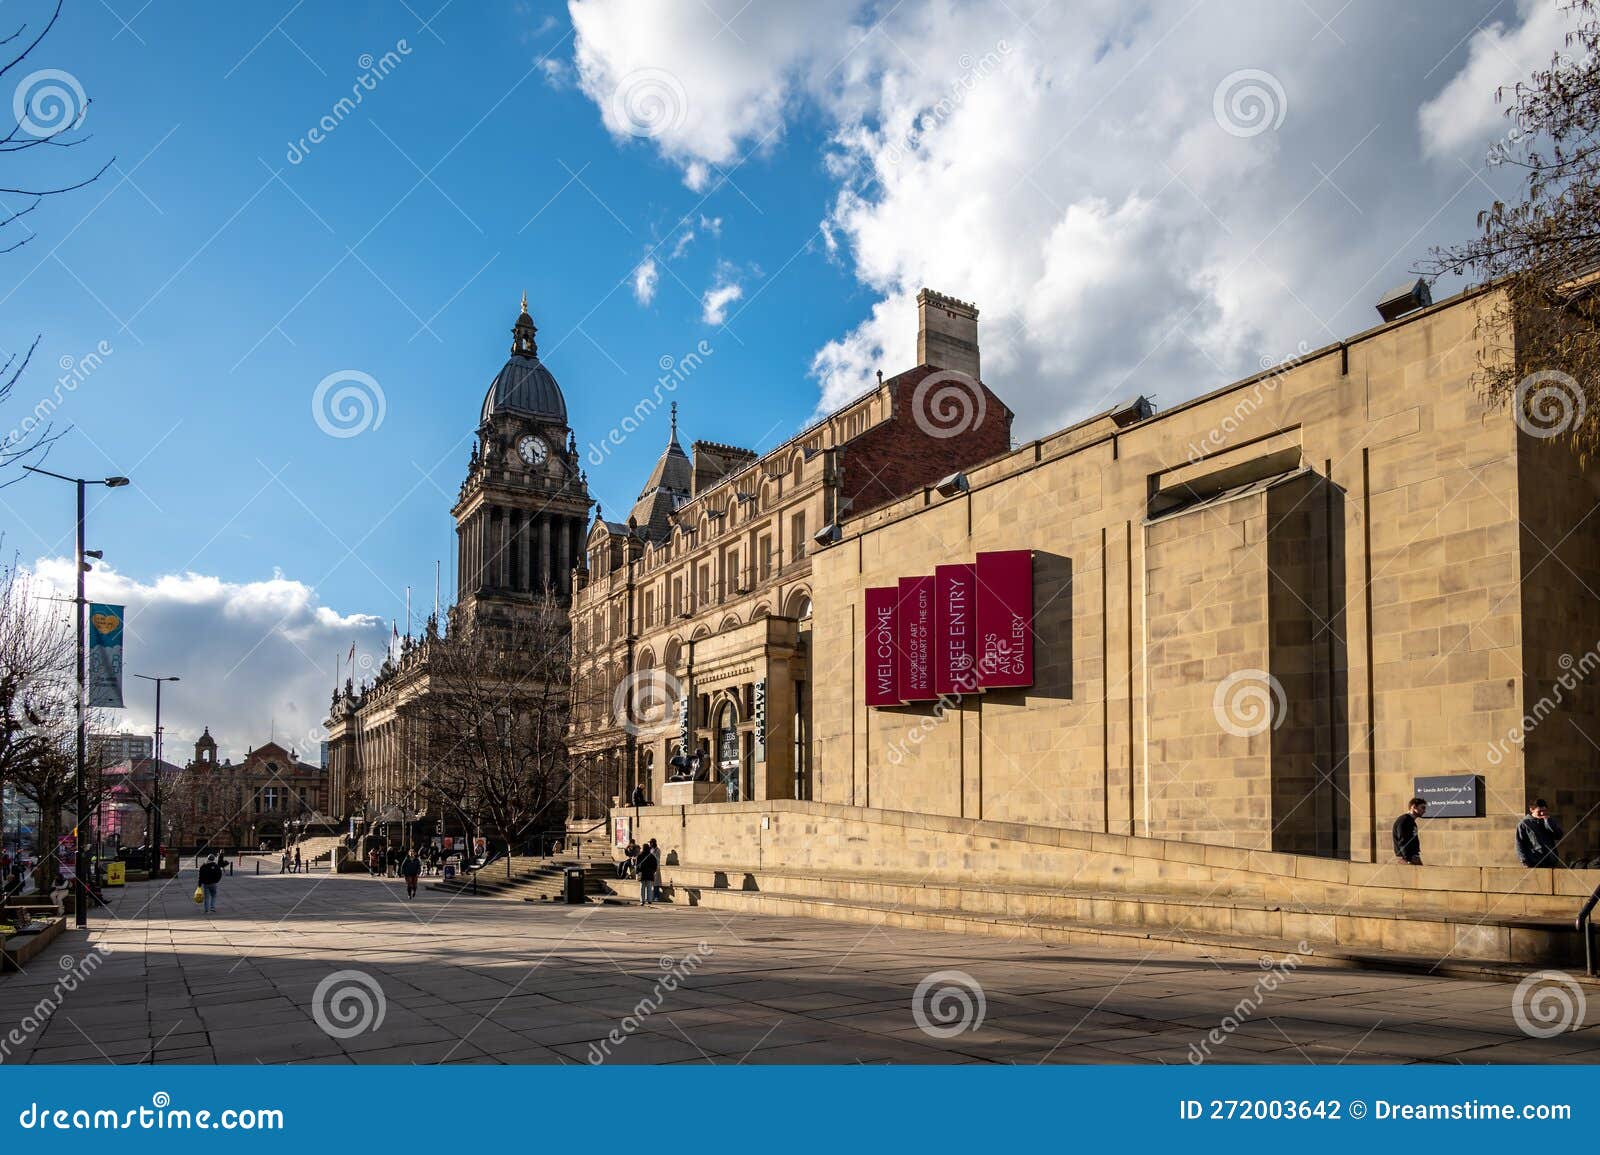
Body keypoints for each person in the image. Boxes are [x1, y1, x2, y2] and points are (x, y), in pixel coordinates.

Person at [1516, 799, 1564, 868]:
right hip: (1534, 863)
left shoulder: (1548, 821)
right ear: (1532, 810)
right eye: (1540, 811)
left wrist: (1548, 822)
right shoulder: (1524, 824)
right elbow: (1519, 844)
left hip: (1551, 862)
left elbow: (1559, 836)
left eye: (1544, 810)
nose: (1542, 813)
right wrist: (1525, 862)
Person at [1392, 797, 1426, 865]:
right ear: (1413, 807)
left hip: (1413, 856)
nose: (1424, 811)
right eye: (1422, 807)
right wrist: (1407, 859)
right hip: (1407, 858)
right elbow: (1402, 840)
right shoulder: (1404, 820)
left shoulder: (1411, 821)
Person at [636, 839, 657, 905]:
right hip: (650, 873)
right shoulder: (652, 856)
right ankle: (649, 900)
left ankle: (642, 901)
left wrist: (637, 872)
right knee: (649, 887)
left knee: (642, 887)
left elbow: (637, 865)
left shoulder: (639, 856)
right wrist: (653, 871)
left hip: (642, 873)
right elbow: (655, 865)